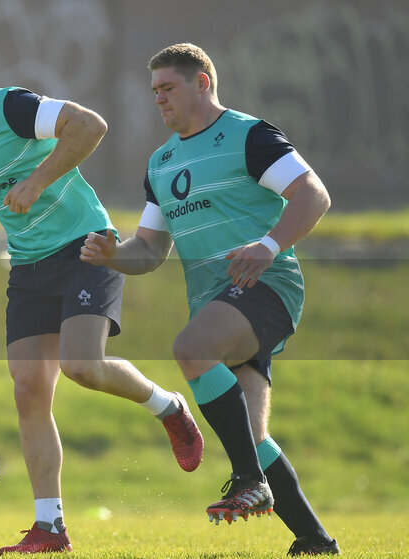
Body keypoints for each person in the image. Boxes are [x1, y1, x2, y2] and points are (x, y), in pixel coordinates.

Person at [0, 40, 205, 555]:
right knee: (28, 390)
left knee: (82, 365)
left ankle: (168, 406)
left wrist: (36, 180)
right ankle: (50, 528)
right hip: (28, 265)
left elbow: (89, 126)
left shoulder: (12, 107)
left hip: (86, 245)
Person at [80, 43, 338, 556]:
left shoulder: (248, 136)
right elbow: (149, 251)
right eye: (154, 91)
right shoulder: (161, 163)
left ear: (202, 83)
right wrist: (112, 255)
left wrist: (268, 246)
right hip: (217, 303)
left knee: (192, 348)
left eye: (168, 88)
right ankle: (315, 540)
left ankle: (248, 480)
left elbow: (313, 195)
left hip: (266, 285)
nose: (159, 99)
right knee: (253, 436)